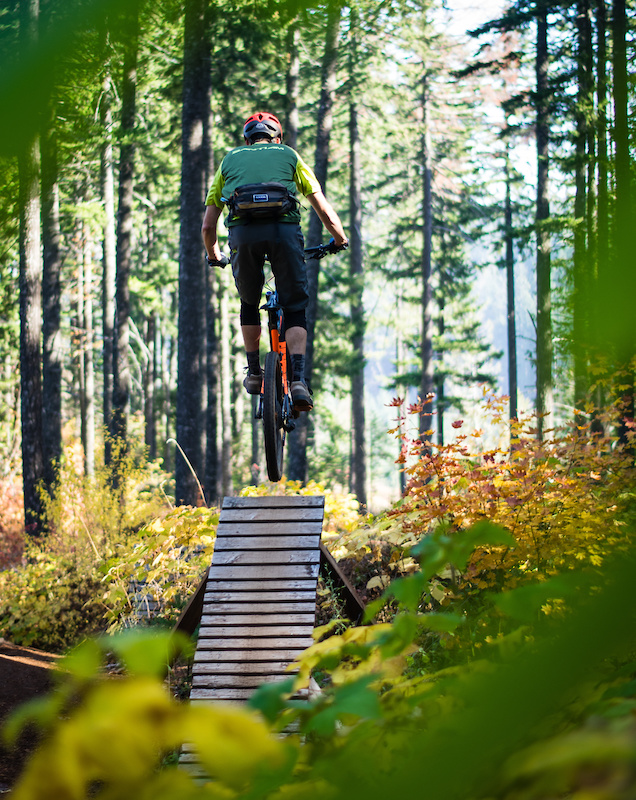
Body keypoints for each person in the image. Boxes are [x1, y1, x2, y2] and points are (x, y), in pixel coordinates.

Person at [201, 111, 348, 412]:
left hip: (243, 237)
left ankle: (255, 373)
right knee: (294, 307)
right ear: (277, 137)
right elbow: (320, 204)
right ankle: (297, 381)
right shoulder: (289, 155)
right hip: (284, 234)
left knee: (248, 302)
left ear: (247, 139)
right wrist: (339, 238)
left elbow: (207, 227)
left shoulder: (230, 160)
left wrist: (215, 255)